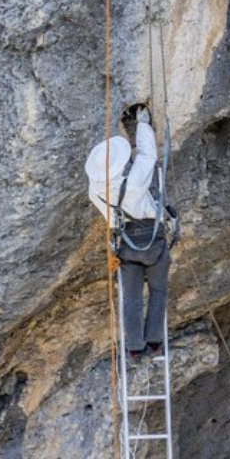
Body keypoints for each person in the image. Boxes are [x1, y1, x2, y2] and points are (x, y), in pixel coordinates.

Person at [85, 104, 172, 361]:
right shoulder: (133, 183)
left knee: (131, 299)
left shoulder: (95, 192)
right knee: (158, 291)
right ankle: (154, 342)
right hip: (151, 238)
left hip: (125, 242)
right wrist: (143, 124)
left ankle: (134, 347)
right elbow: (147, 157)